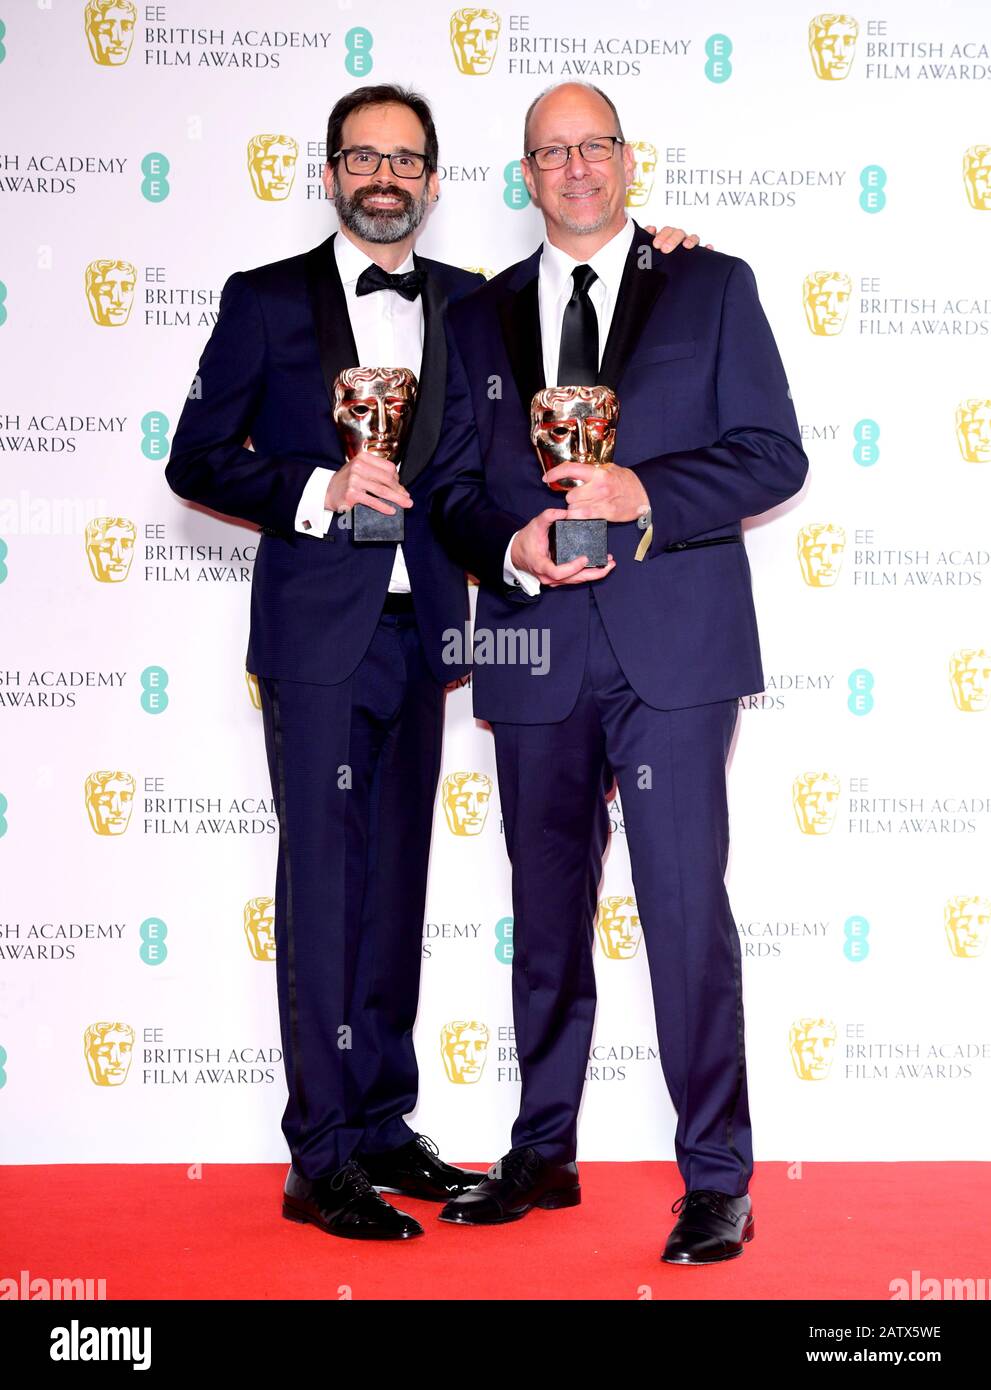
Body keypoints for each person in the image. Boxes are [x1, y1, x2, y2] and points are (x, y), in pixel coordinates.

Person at [166, 81, 704, 1241]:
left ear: (437, 179)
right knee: (322, 885)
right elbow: (195, 457)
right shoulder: (262, 302)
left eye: (406, 160)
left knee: (395, 884)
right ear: (328, 173)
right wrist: (313, 488)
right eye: (363, 157)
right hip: (316, 637)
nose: (384, 177)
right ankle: (319, 1157)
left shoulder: (477, 306)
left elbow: (596, 303)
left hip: (433, 637)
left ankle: (380, 1120)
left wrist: (662, 253)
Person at [428, 80, 809, 1264]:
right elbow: (445, 489)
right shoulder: (473, 317)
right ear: (526, 174)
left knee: (687, 915)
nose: (576, 166)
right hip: (533, 642)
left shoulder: (712, 283)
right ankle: (541, 1151)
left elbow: (770, 455)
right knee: (544, 920)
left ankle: (717, 1179)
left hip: (674, 651)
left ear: (628, 160)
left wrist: (645, 494)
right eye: (551, 150)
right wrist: (509, 542)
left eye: (594, 144)